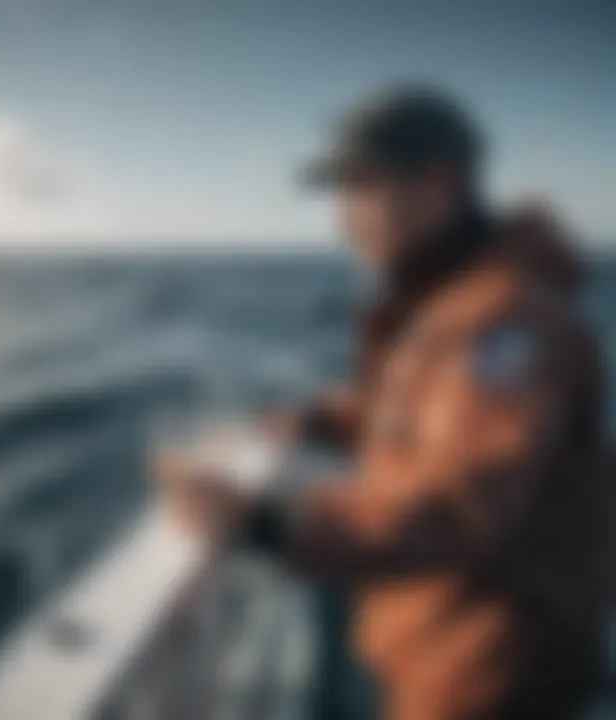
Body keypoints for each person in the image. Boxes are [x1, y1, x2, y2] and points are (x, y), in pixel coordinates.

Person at [164, 85, 616, 720]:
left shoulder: (504, 322)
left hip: (488, 677)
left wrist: (267, 523)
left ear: (436, 186)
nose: (342, 219)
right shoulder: (458, 302)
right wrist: (315, 420)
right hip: (450, 652)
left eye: (359, 188)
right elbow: (427, 417)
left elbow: (460, 503)